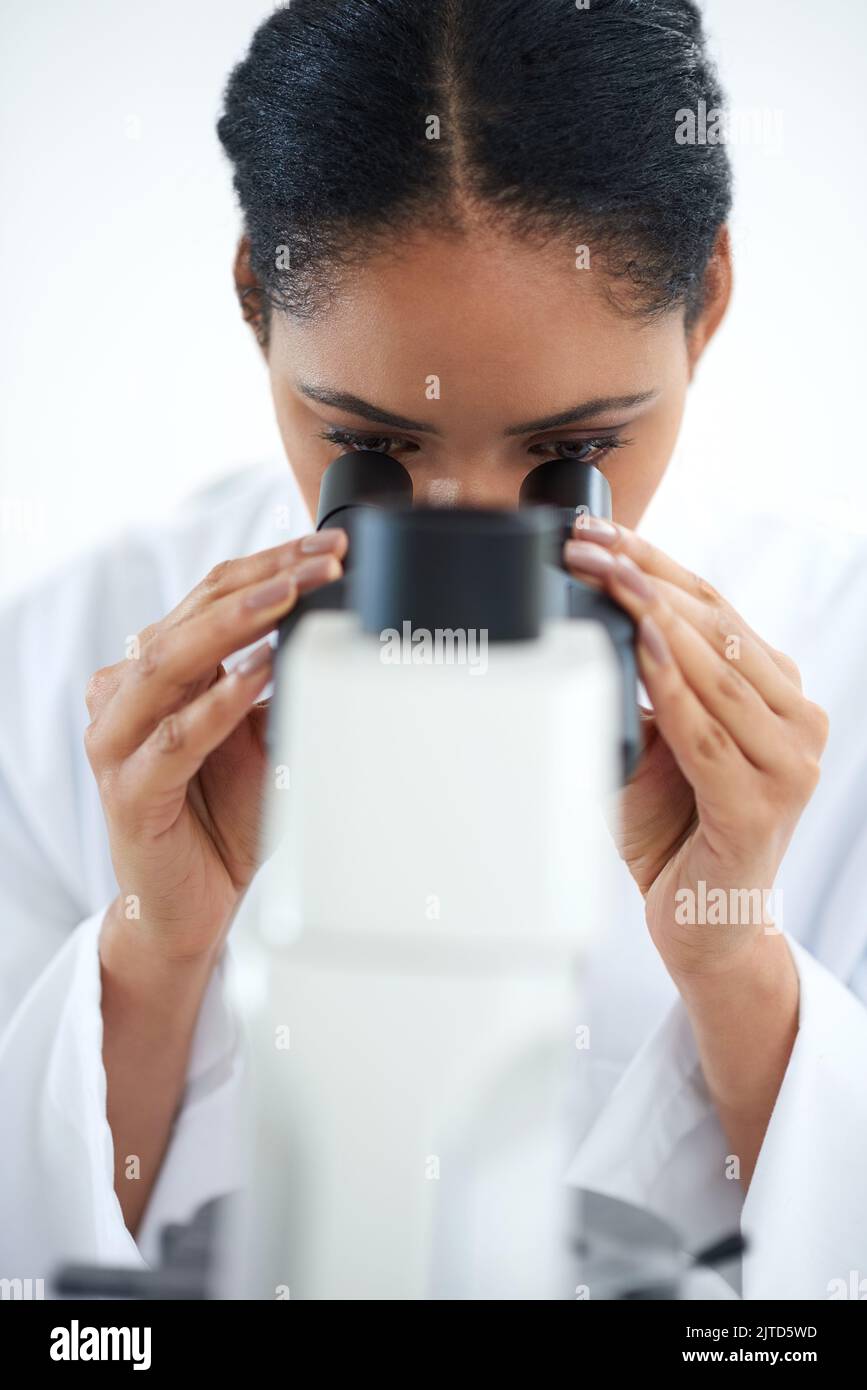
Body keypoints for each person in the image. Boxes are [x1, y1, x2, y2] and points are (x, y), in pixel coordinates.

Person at [1, 0, 865, 1299]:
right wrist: (156, 946)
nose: (467, 545)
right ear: (256, 296)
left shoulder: (839, 659)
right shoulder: (72, 657)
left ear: (709, 304)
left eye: (569, 460)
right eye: (376, 453)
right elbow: (47, 1275)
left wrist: (736, 956)